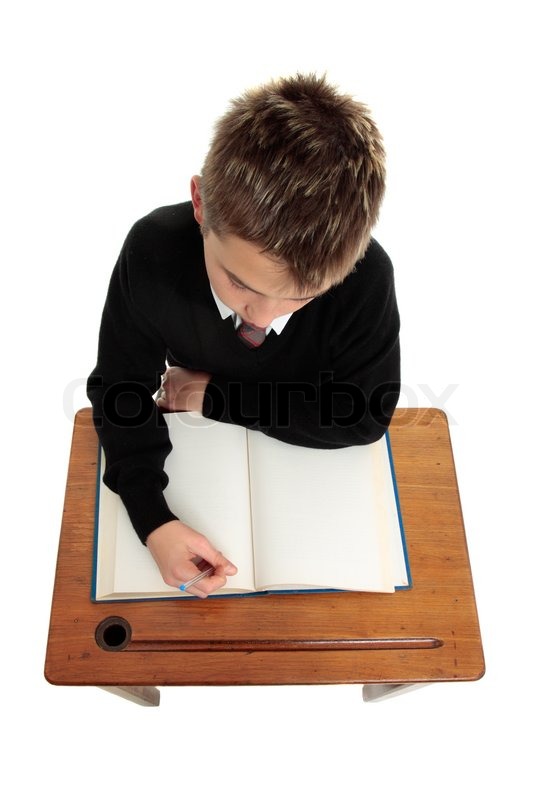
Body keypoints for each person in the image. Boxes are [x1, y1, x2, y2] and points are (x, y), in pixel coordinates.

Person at [87, 73, 400, 598]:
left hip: (312, 489)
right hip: (203, 461)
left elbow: (365, 415)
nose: (263, 315)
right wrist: (152, 519)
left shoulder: (366, 277)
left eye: (304, 295)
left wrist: (214, 396)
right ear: (200, 203)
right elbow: (120, 386)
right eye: (239, 282)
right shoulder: (154, 250)